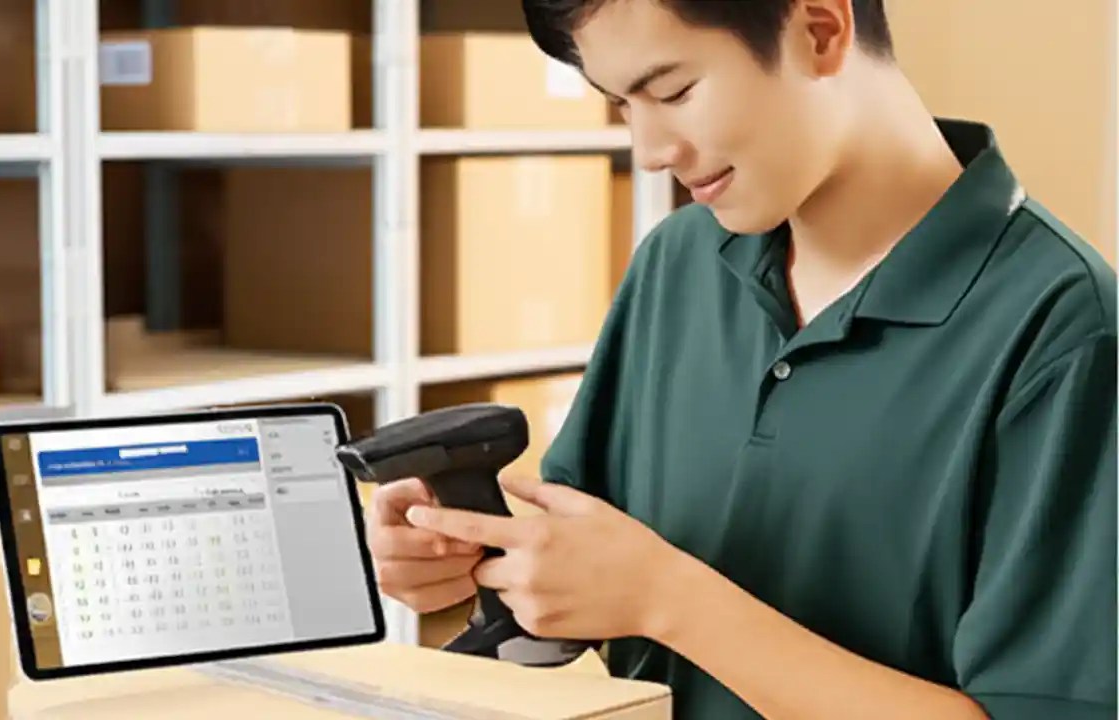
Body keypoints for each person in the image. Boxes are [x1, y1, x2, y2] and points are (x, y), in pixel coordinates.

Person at [365, 0, 1117, 717]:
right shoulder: (678, 263)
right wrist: (466, 552)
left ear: (820, 30)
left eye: (674, 90)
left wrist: (668, 599)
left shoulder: (1065, 331)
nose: (651, 151)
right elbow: (582, 576)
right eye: (623, 104)